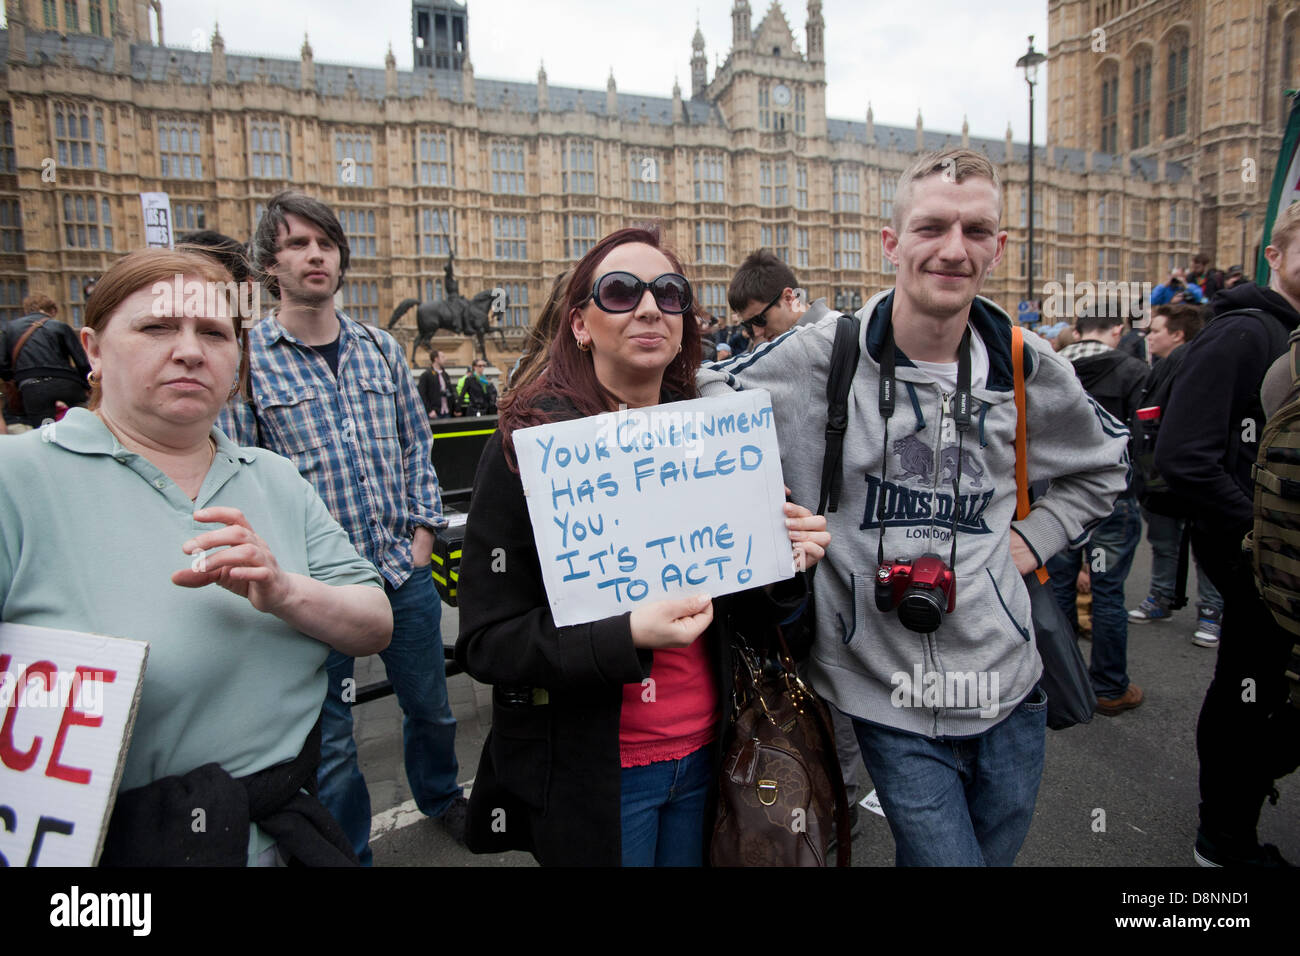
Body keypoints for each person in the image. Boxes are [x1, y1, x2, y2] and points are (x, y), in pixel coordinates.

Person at [697, 147, 1129, 866]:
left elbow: (1108, 460)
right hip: (885, 690)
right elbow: (699, 393)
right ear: (892, 243)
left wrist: (1027, 544)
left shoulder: (1025, 365)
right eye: (931, 228)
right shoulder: (821, 358)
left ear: (998, 248)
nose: (954, 250)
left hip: (1010, 688)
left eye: (976, 231)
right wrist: (764, 504)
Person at [0, 248, 392, 865]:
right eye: (157, 327)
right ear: (94, 350)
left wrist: (286, 592)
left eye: (213, 332)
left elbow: (374, 622)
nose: (189, 350)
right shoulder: (15, 479)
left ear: (236, 362)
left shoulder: (275, 476)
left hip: (284, 837)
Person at [454, 226, 830, 866]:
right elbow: (487, 643)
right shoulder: (530, 452)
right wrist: (624, 636)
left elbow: (773, 620)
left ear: (685, 320)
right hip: (600, 771)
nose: (651, 306)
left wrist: (788, 561)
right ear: (579, 323)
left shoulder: (717, 444)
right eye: (622, 291)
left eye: (670, 292)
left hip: (715, 753)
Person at [220, 190, 465, 865]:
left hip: (398, 570)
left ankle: (441, 797)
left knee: (432, 711)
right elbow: (238, 471)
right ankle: (350, 850)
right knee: (331, 747)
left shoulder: (381, 349)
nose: (315, 255)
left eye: (325, 243)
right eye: (298, 243)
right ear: (272, 263)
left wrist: (422, 538)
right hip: (314, 588)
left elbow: (418, 444)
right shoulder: (247, 358)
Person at [1155, 201, 1300, 867]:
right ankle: (1225, 838)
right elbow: (1184, 456)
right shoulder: (1242, 334)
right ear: (1274, 253)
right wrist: (1260, 532)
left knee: (1260, 688)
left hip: (1276, 556)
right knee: (1247, 689)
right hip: (1254, 559)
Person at [1047, 310, 1150, 715]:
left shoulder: (1055, 366)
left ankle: (1059, 677)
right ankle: (1107, 686)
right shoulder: (1134, 371)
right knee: (1107, 591)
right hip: (1112, 495)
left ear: (1077, 330)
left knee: (1057, 587)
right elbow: (1142, 439)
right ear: (1118, 331)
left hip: (1056, 497)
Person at [1127, 304, 1224, 646]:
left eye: (1155, 331)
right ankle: (1162, 598)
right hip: (1162, 469)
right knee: (1165, 541)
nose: (1148, 336)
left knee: (1201, 543)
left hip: (1187, 470)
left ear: (1178, 334)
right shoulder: (1161, 366)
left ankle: (1211, 611)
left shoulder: (1198, 364)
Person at [2, 293, 91, 426]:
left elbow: (2, 364)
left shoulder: (9, 328)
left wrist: (18, 379)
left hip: (32, 386)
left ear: (26, 310)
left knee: (44, 431)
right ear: (53, 310)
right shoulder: (60, 326)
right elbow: (82, 362)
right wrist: (88, 384)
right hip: (66, 383)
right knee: (83, 423)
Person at [729, 248, 828, 345]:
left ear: (788, 298)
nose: (757, 333)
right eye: (748, 325)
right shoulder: (787, 342)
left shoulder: (832, 336)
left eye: (759, 320)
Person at [417, 348, 457, 420]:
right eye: (443, 357)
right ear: (436, 359)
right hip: (434, 413)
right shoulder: (426, 375)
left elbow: (450, 392)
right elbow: (422, 395)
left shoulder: (445, 374)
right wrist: (429, 410)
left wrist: (455, 408)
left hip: (447, 412)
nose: (445, 359)